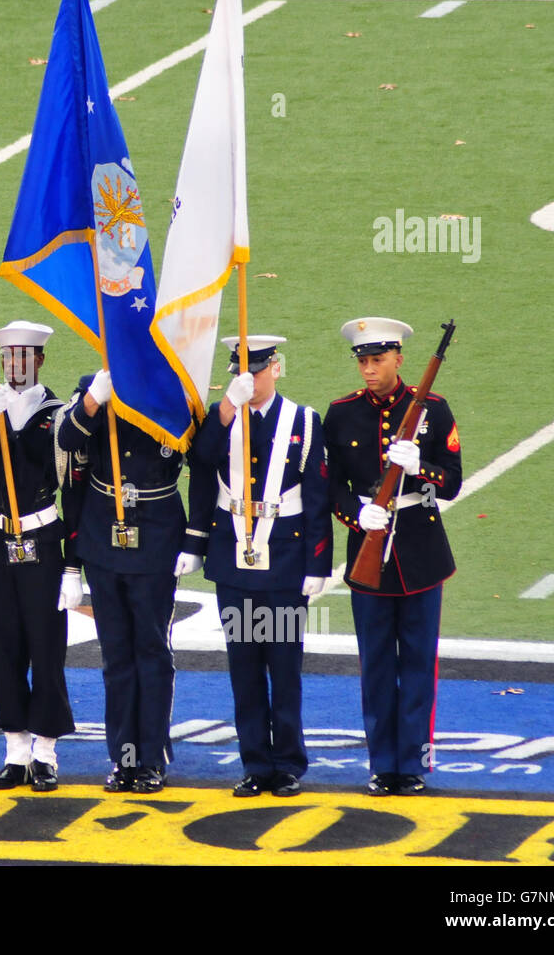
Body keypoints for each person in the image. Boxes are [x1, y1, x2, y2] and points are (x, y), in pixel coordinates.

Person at [323, 317, 462, 796]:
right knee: (377, 664)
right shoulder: (340, 414)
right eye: (362, 361)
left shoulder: (434, 410)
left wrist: (418, 466)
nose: (368, 370)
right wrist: (358, 515)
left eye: (377, 360)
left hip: (421, 554)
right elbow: (330, 488)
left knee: (419, 664)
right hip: (369, 550)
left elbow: (453, 481)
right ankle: (383, 765)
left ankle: (414, 765)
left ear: (399, 359)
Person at [191, 336, 331, 798]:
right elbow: (200, 460)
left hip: (287, 561)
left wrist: (318, 564)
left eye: (256, 370)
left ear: (276, 368)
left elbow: (316, 498)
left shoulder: (305, 421)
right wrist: (226, 411)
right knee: (244, 667)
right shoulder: (222, 416)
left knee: (284, 667)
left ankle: (288, 764)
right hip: (234, 559)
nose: (247, 379)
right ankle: (255, 762)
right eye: (239, 371)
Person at [56, 368, 200, 793]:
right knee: (116, 655)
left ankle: (152, 758)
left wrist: (195, 540)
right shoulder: (95, 386)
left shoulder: (178, 391)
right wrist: (93, 400)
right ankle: (124, 758)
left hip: (157, 537)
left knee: (152, 651)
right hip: (103, 539)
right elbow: (66, 443)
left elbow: (206, 461)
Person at [0, 321, 78, 793]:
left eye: (24, 357)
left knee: (46, 646)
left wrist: (73, 565)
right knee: (4, 646)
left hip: (43, 543)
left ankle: (46, 752)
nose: (15, 365)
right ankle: (15, 750)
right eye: (8, 357)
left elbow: (72, 488)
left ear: (39, 362)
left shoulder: (59, 414)